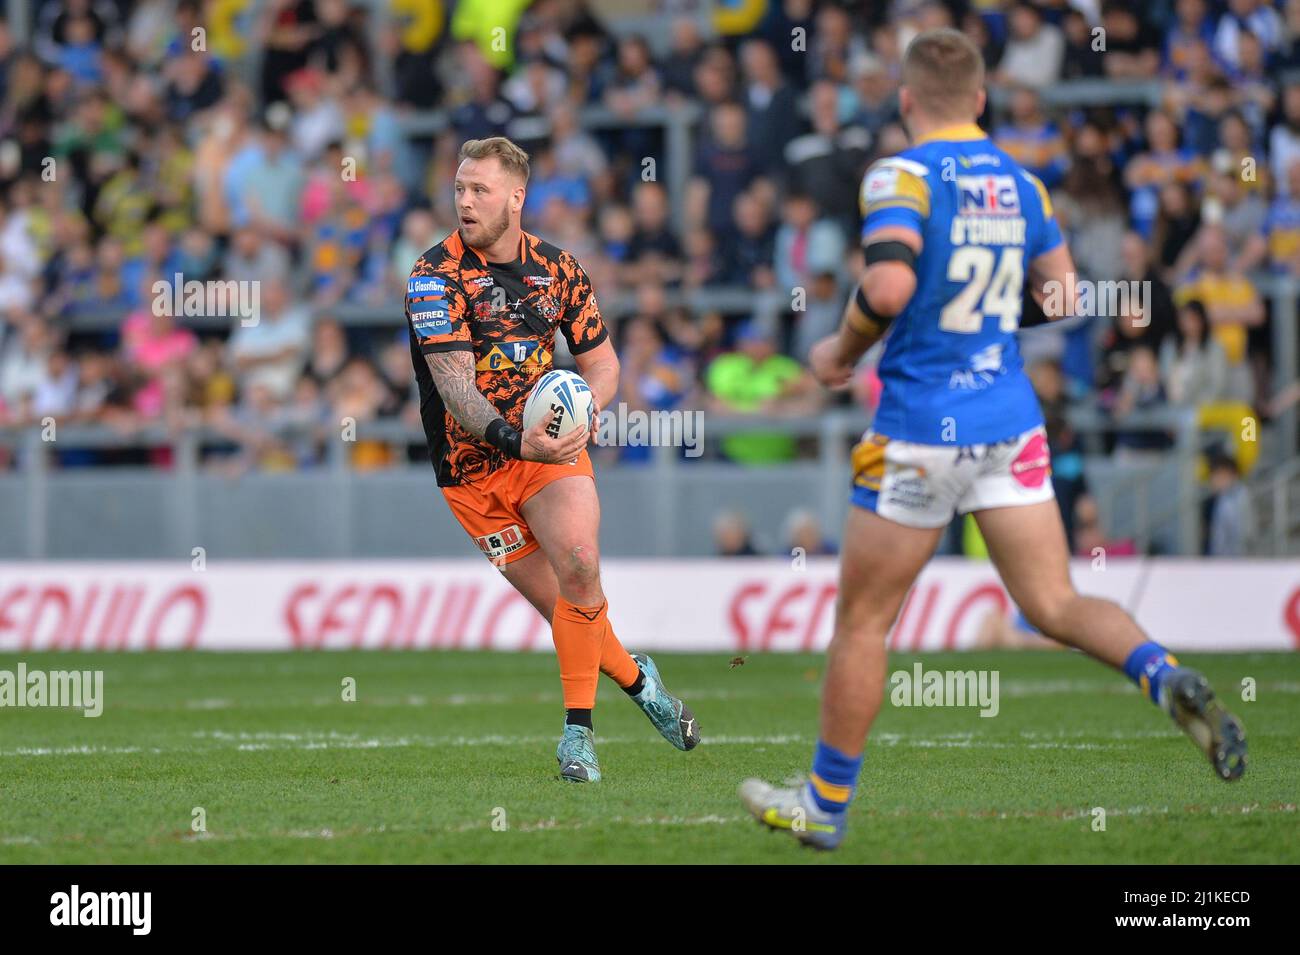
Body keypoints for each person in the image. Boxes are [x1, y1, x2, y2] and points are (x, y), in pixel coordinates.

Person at [739, 29, 1246, 851]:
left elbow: (889, 284)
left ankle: (824, 803)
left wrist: (840, 348)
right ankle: (1162, 672)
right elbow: (1066, 295)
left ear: (907, 100)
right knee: (1054, 603)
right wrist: (983, 306)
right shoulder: (1022, 183)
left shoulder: (899, 175)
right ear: (980, 99)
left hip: (919, 429)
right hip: (1009, 420)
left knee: (863, 622)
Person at [405, 137, 699, 783]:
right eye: (459, 189)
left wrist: (586, 409)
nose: (465, 202)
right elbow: (456, 389)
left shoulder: (559, 270)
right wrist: (517, 440)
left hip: (549, 452)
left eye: (479, 190)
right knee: (567, 610)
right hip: (472, 471)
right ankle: (640, 680)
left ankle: (578, 737)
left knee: (580, 565)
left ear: (516, 197)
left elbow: (603, 363)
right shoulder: (433, 276)